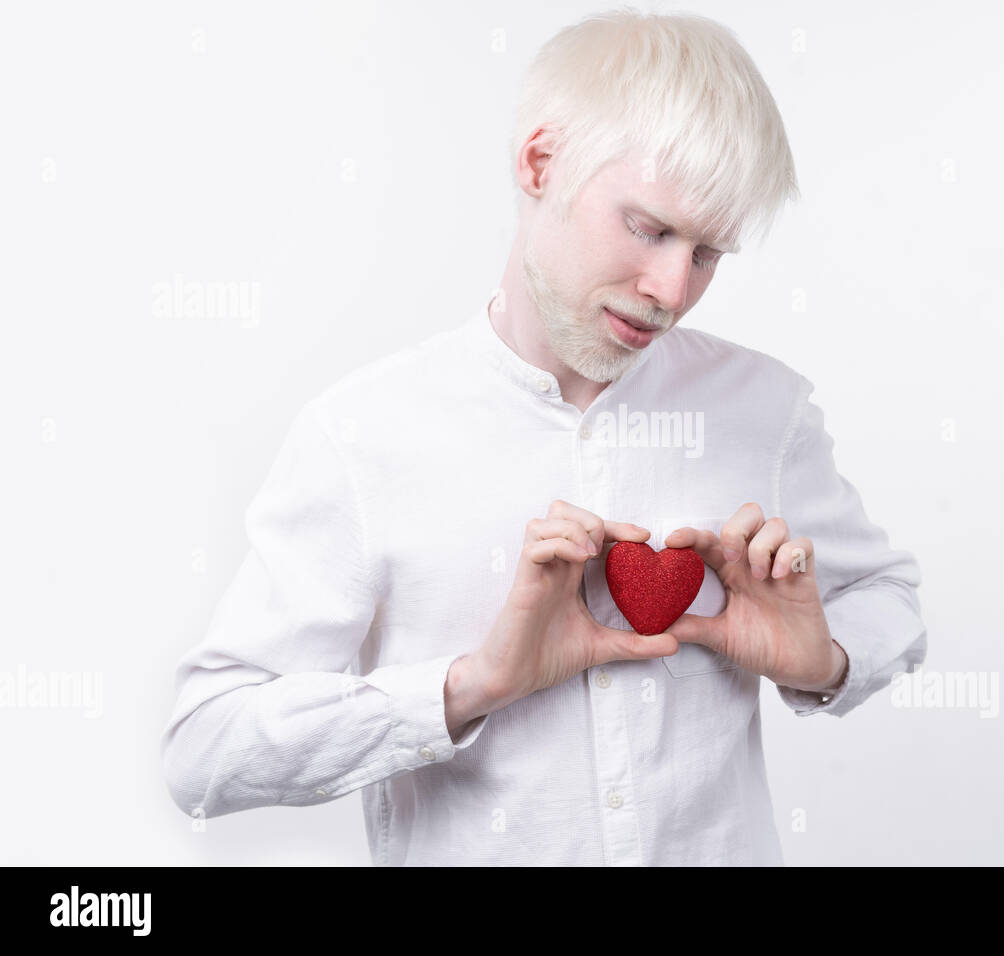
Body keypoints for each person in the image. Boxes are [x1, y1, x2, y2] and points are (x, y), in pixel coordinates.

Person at [160, 8, 927, 866]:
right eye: (649, 228)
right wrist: (469, 686)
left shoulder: (764, 411)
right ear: (539, 163)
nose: (672, 289)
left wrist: (825, 660)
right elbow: (204, 748)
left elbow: (890, 596)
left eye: (709, 253)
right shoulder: (361, 437)